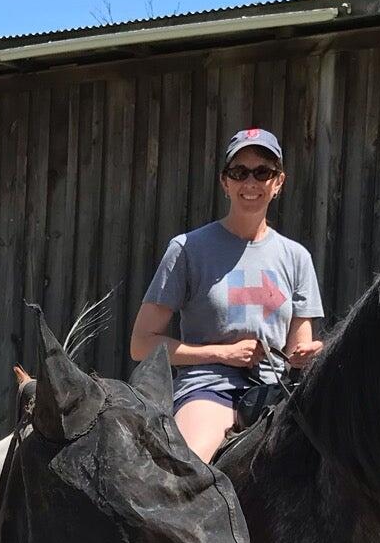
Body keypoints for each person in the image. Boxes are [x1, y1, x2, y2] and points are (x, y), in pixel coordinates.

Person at [130, 128, 325, 463]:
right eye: (239, 172)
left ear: (278, 183)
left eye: (262, 172)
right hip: (208, 389)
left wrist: (309, 355)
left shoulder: (297, 258)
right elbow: (141, 344)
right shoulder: (188, 249)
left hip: (279, 396)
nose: (251, 182)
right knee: (185, 472)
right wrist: (222, 353)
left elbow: (297, 350)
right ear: (225, 182)